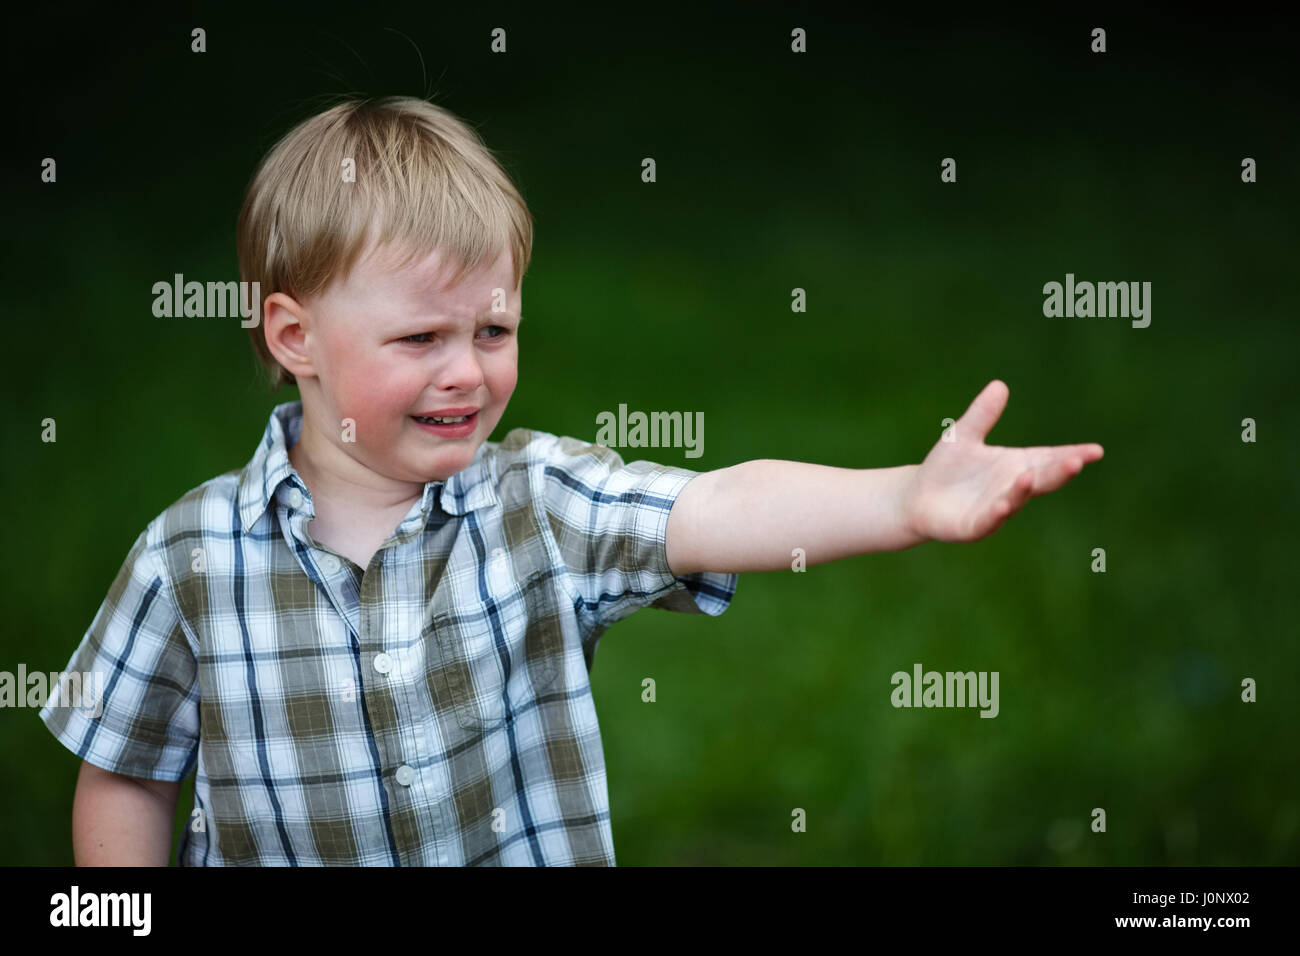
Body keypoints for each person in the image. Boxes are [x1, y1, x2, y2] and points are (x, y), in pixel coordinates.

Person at [40, 96, 1102, 866]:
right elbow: (128, 767)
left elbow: (719, 504)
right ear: (295, 334)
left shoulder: (539, 504)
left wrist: (902, 497)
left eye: (493, 328)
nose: (468, 368)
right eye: (419, 336)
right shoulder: (190, 557)